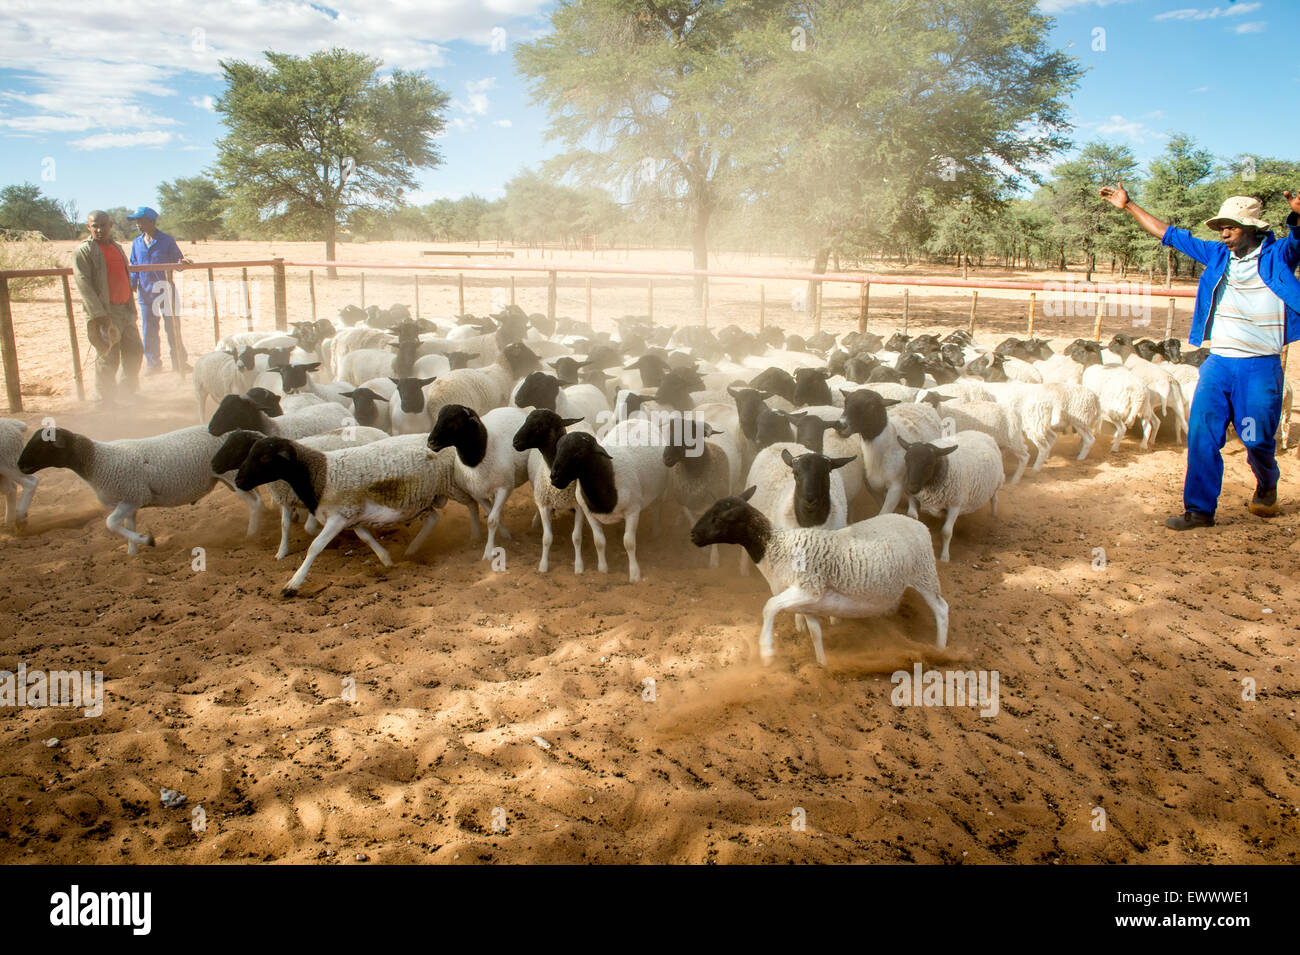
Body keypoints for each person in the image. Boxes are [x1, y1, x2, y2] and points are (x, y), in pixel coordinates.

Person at [1100, 184, 1300, 528]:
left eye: (1231, 227)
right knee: (1201, 434)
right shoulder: (1218, 255)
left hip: (1260, 365)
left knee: (1255, 439)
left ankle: (1267, 483)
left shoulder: (1278, 254)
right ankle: (1199, 510)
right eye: (1221, 227)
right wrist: (1128, 205)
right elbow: (1170, 235)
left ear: (1252, 228)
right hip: (1218, 362)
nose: (1224, 234)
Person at [73, 210, 145, 405]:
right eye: (94, 225)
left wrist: (131, 307)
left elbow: (123, 277)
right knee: (108, 356)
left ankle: (127, 391)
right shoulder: (84, 251)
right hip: (105, 312)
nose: (99, 229)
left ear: (110, 225)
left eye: (102, 225)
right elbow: (83, 285)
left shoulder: (116, 248)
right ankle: (104, 400)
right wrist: (100, 316)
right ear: (88, 227)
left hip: (125, 310)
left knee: (135, 350)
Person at [127, 206, 192, 374]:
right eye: (136, 222)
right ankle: (153, 365)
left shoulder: (167, 240)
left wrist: (183, 263)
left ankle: (179, 362)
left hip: (166, 292)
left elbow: (178, 262)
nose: (138, 225)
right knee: (149, 330)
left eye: (140, 221)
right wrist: (133, 284)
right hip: (146, 293)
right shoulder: (137, 242)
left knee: (172, 328)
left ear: (151, 222)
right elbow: (133, 265)